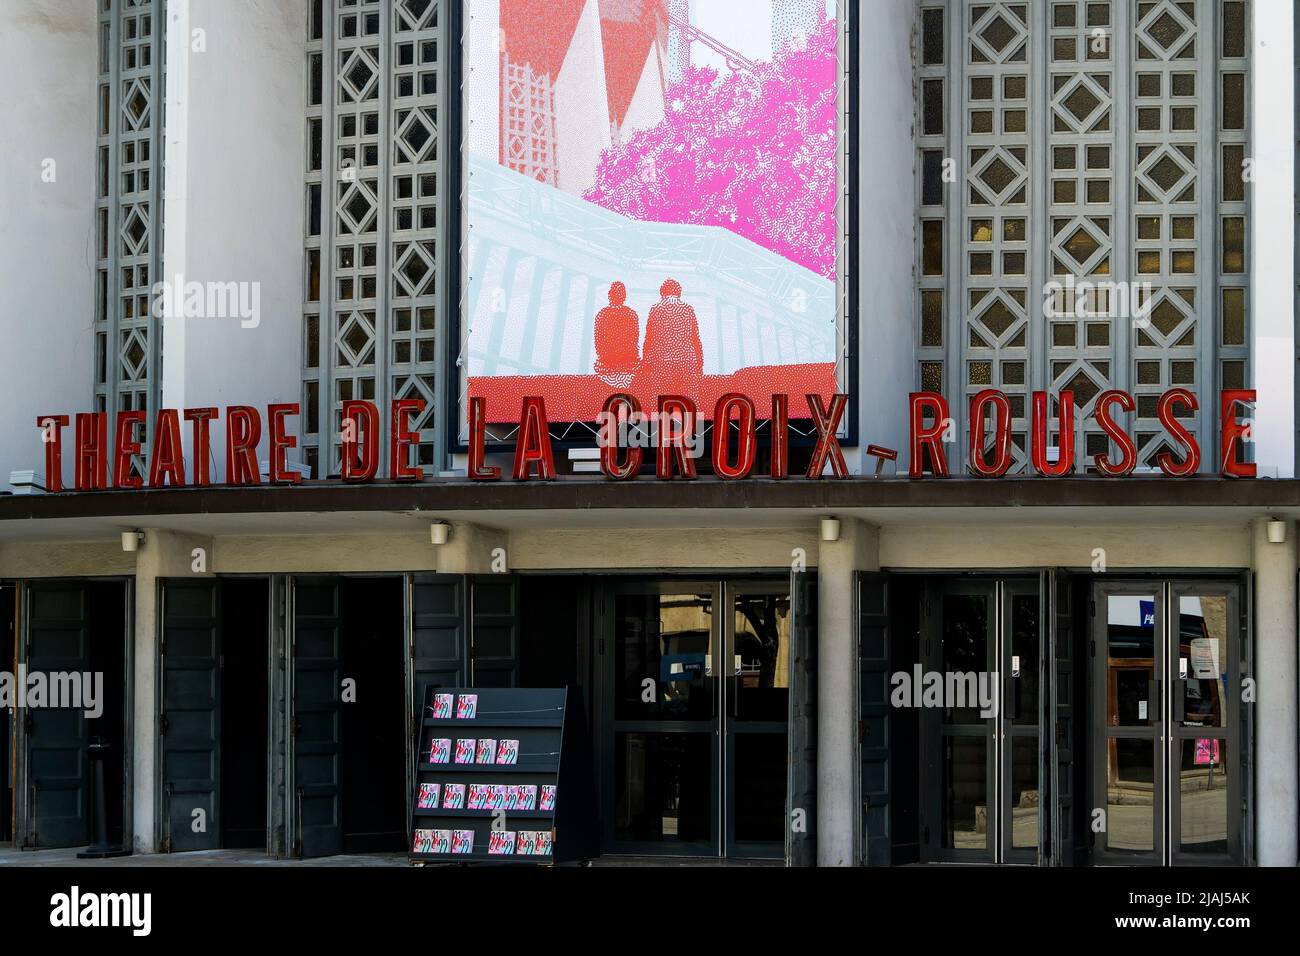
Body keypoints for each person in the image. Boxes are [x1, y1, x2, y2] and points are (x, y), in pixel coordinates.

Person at [631, 278, 704, 410]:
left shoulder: (655, 309)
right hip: (686, 362)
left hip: (661, 363)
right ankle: (693, 429)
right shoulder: (688, 309)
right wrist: (699, 363)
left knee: (659, 404)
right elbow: (695, 339)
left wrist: (646, 362)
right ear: (679, 292)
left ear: (662, 292)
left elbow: (649, 340)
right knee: (690, 404)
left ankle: (659, 429)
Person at [592, 281, 641, 388]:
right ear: (624, 296)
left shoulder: (602, 315)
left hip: (606, 366)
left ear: (610, 295)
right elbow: (634, 341)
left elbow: (598, 343)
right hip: (629, 367)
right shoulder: (631, 314)